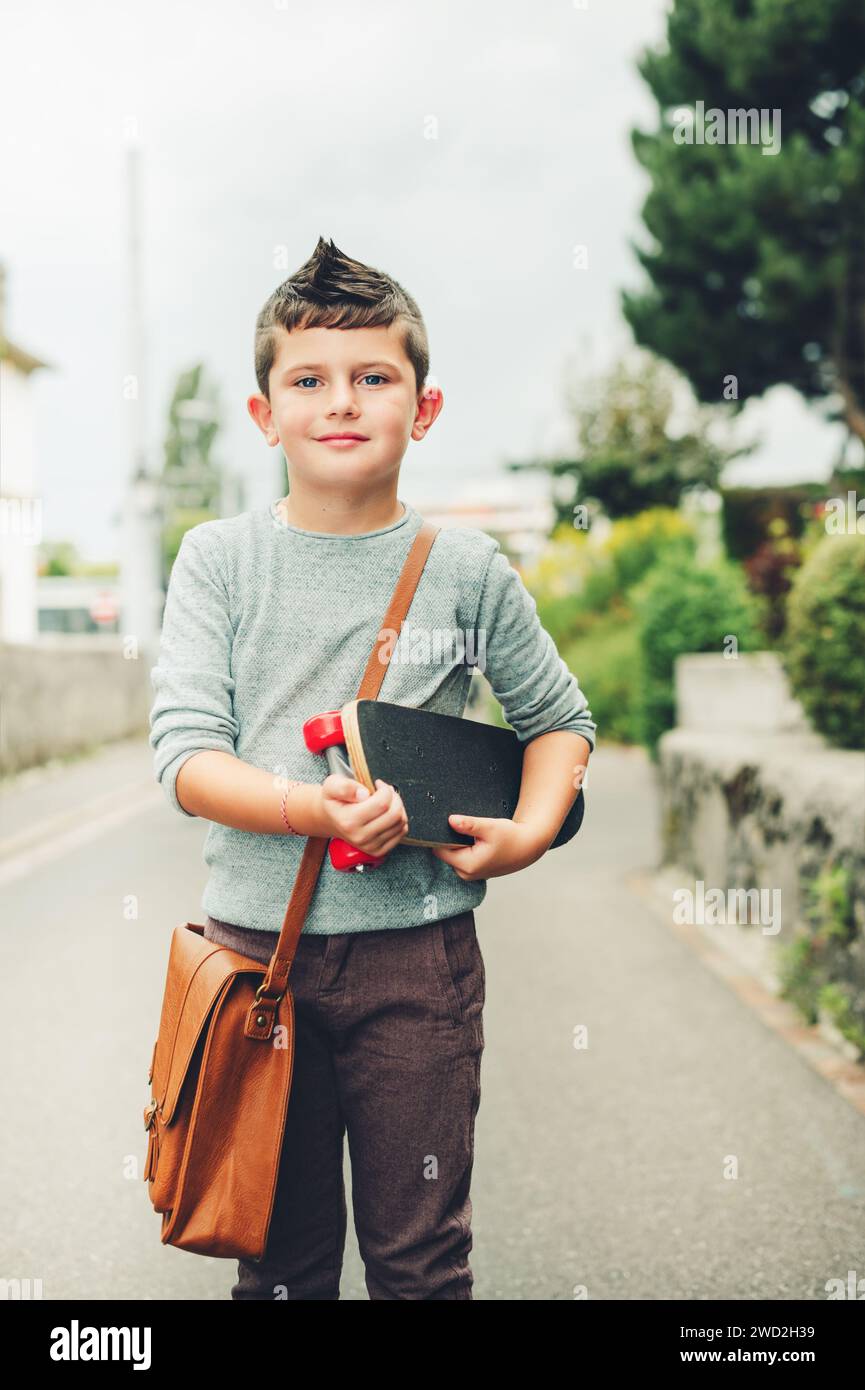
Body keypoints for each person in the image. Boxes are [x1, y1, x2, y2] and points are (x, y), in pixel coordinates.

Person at [149, 235, 597, 1300]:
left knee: (420, 1265)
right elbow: (185, 759)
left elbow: (558, 720)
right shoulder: (220, 559)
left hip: (420, 963)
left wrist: (530, 832)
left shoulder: (465, 568)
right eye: (307, 380)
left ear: (422, 408)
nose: (339, 401)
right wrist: (311, 808)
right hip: (260, 962)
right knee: (282, 1261)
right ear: (265, 416)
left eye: (372, 378)